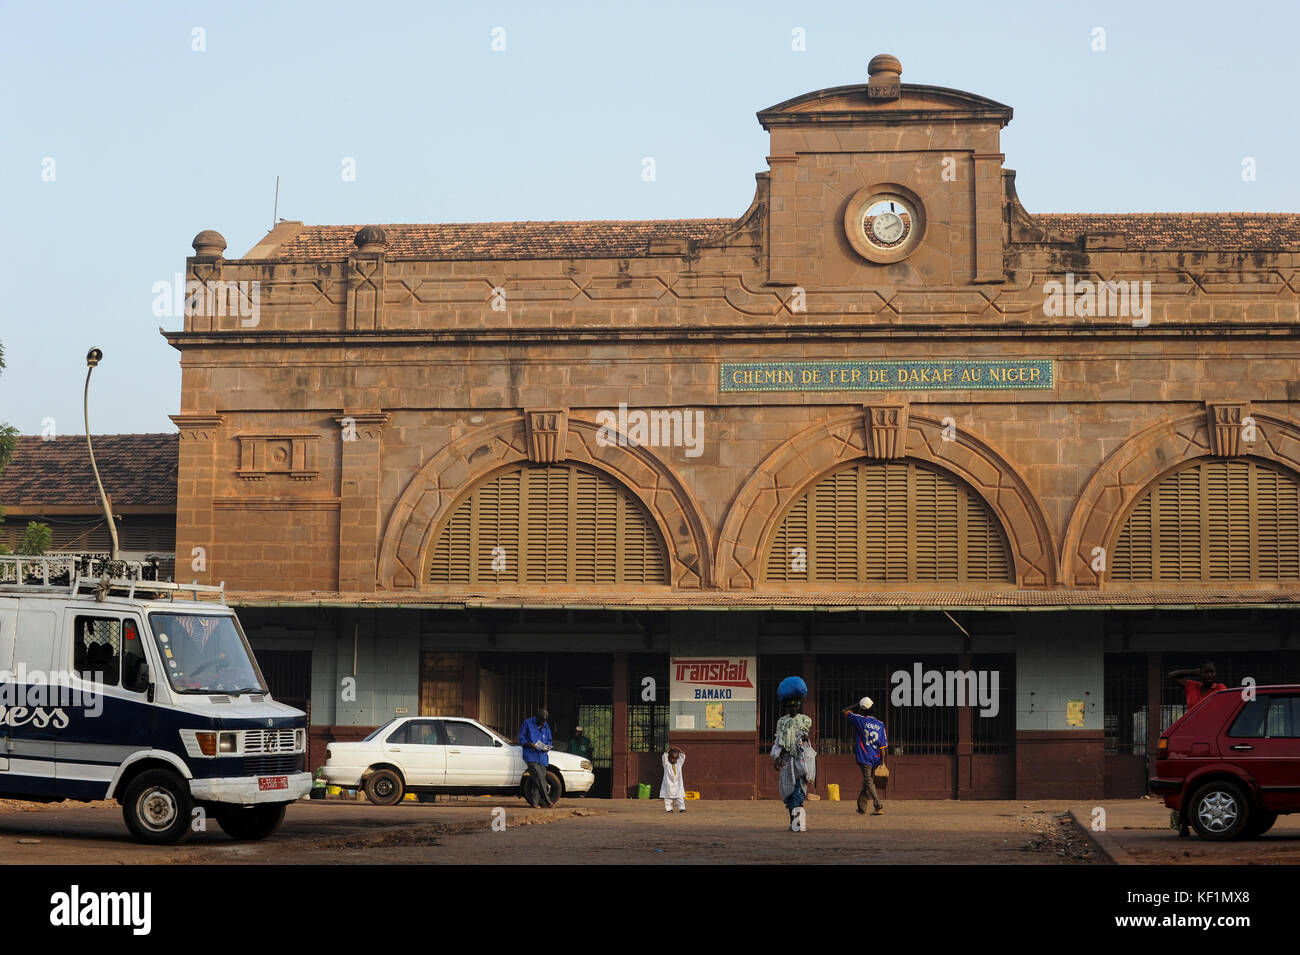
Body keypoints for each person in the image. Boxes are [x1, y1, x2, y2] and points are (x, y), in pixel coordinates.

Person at [1167, 662, 1227, 837]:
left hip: (1210, 738)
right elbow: (1172, 675)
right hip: (1190, 737)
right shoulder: (1192, 686)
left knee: (1203, 780)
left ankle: (1201, 822)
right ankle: (1183, 824)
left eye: (1212, 673)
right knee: (1188, 781)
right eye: (1206, 672)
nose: (1210, 676)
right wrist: (1193, 671)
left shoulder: (1220, 689)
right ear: (1201, 674)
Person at [771, 676, 815, 831]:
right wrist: (777, 756)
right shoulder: (781, 722)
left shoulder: (805, 720)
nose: (793, 708)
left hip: (800, 761)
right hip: (786, 762)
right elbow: (778, 742)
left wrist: (803, 737)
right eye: (791, 705)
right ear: (786, 706)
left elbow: (805, 738)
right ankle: (793, 823)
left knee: (798, 794)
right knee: (789, 796)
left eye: (796, 705)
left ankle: (799, 824)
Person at [843, 696, 887, 815]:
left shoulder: (860, 720)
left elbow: (845, 711)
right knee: (868, 782)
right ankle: (861, 807)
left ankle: (877, 804)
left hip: (864, 756)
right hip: (876, 758)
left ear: (862, 709)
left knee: (868, 782)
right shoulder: (880, 724)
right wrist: (882, 762)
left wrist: (856, 705)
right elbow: (883, 747)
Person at [518, 708, 554, 808]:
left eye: (544, 721)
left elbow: (549, 740)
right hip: (531, 755)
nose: (543, 723)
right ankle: (547, 800)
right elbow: (521, 738)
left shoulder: (546, 726)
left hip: (542, 757)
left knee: (537, 780)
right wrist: (530, 744)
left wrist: (547, 747)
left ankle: (535, 802)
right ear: (537, 718)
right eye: (541, 721)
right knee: (538, 777)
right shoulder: (527, 723)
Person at [660, 746, 686, 813]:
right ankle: (669, 809)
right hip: (668, 784)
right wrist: (667, 751)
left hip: (678, 784)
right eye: (672, 758)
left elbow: (683, 757)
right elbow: (664, 757)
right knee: (667, 797)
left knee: (680, 796)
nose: (674, 760)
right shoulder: (666, 764)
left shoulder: (679, 764)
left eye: (676, 759)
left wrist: (679, 750)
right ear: (669, 758)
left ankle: (682, 808)